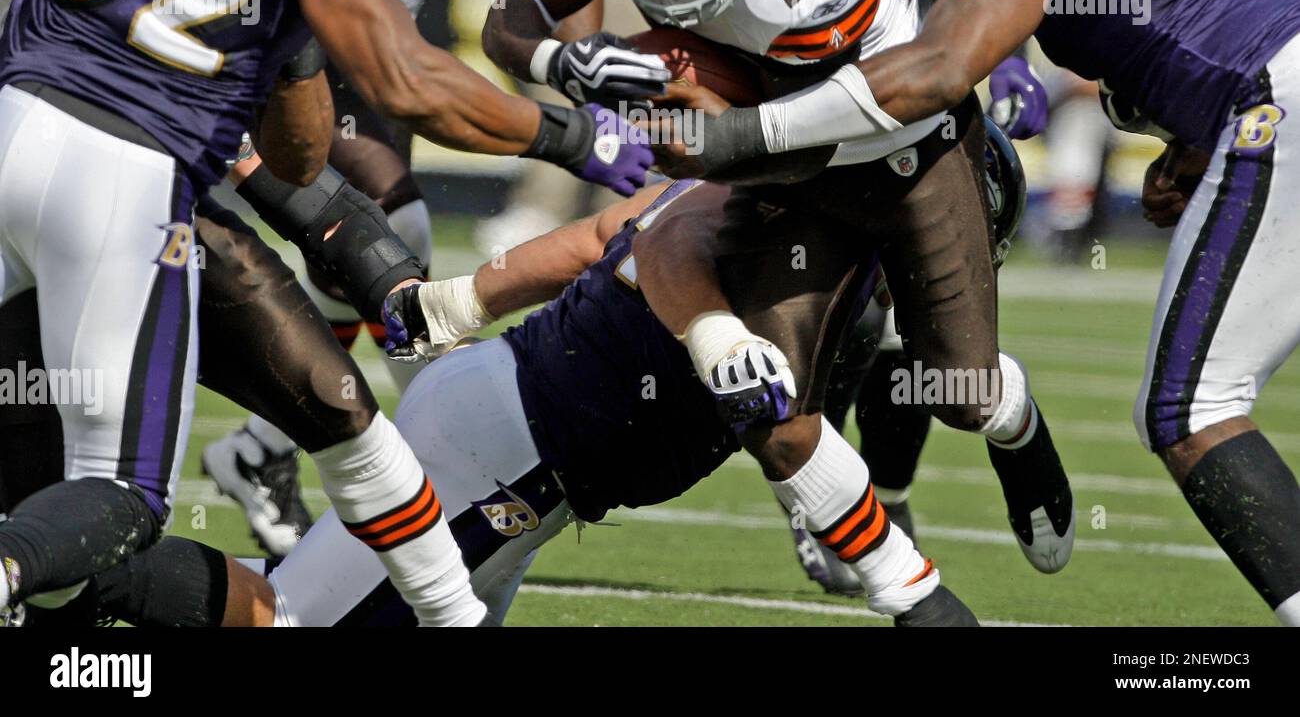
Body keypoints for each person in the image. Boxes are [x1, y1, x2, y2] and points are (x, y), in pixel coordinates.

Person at [0, 0, 651, 626]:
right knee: (125, 496)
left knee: (341, 412)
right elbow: (401, 86)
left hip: (16, 119)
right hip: (128, 185)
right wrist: (574, 138)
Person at [660, 0, 1300, 624]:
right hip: (1267, 83)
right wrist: (1198, 137)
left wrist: (739, 137)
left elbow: (940, 66)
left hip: (1274, 95)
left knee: (1193, 407)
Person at [481, 0, 1076, 580]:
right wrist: (564, 64)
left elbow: (858, 118)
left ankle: (1016, 417)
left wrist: (721, 137)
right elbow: (510, 14)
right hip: (770, 137)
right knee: (772, 405)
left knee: (960, 392)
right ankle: (900, 580)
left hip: (894, 141)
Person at [72, 178, 979, 627]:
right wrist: (909, 585)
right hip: (507, 459)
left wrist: (464, 300)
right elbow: (783, 433)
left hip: (518, 446)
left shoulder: (791, 198)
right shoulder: (791, 241)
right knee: (285, 619)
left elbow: (599, 232)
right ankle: (61, 571)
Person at [201, 0, 602, 557]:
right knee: (393, 244)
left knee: (373, 249)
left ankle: (270, 447)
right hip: (318, 18)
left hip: (388, 21)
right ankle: (428, 481)